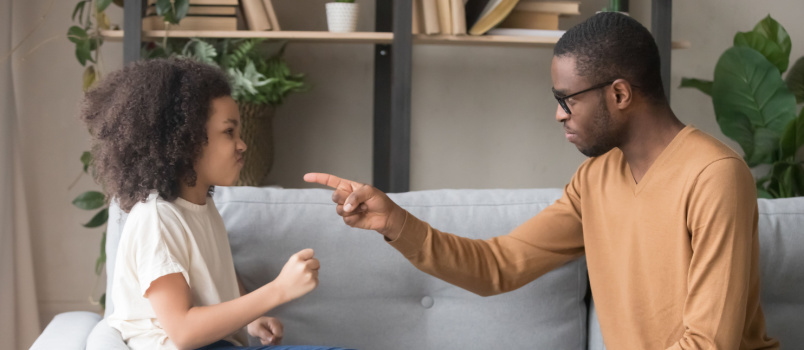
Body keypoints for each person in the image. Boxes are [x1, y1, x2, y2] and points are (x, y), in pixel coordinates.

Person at [304, 12, 779, 349]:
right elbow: (497, 265)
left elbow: (707, 343)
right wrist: (397, 223)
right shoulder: (594, 180)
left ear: (619, 93)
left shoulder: (714, 176)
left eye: (566, 98)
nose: (557, 114)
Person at [81, 58, 348, 350]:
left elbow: (214, 276)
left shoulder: (200, 208)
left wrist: (250, 320)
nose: (242, 144)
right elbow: (182, 331)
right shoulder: (156, 219)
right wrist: (279, 290)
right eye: (229, 132)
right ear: (186, 141)